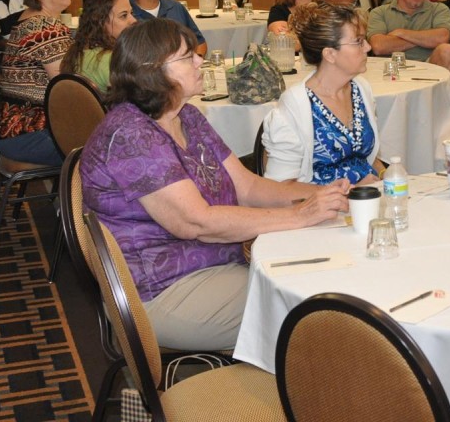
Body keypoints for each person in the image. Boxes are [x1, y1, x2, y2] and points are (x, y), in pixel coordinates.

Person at [80, 19, 349, 351]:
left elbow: (247, 186)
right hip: (159, 289)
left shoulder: (186, 117)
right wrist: (300, 217)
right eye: (187, 56)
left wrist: (321, 194)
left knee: (319, 280)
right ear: (152, 70)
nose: (199, 61)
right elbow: (196, 222)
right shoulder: (131, 135)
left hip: (211, 261)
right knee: (313, 312)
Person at [262, 3, 381, 185]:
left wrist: (387, 175)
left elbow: (364, 158)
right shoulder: (297, 105)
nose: (368, 46)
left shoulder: (360, 89)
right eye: (358, 41)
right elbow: (280, 189)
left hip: (367, 200)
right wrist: (351, 191)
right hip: (322, 208)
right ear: (330, 54)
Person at [0, 0, 72, 166]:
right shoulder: (44, 28)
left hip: (18, 131)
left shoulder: (29, 20)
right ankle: (72, 196)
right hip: (30, 134)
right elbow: (66, 85)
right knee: (108, 146)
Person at [366, 0, 450, 74]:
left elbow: (442, 37)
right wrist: (425, 39)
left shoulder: (438, 9)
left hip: (430, 66)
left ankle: (442, 91)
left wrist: (401, 33)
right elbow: (378, 46)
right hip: (393, 70)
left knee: (447, 50)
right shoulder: (379, 12)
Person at [59, 0, 135, 93]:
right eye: (124, 15)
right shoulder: (110, 60)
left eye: (132, 13)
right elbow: (139, 101)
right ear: (101, 22)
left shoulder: (78, 52)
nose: (133, 20)